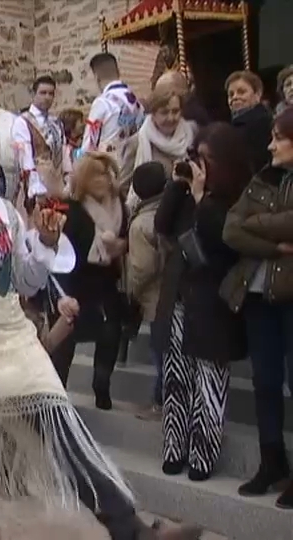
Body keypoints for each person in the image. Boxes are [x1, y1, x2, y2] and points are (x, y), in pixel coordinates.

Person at [0, 109, 200, 540]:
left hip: (12, 335)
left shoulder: (5, 209)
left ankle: (129, 528)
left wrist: (45, 243)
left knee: (60, 425)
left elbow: (25, 280)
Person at [152, 123, 249, 482]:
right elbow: (162, 225)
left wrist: (200, 197)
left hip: (212, 302)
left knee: (208, 384)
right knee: (176, 379)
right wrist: (177, 189)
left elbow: (215, 249)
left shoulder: (231, 203)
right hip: (179, 296)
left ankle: (203, 456)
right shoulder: (188, 195)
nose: (198, 166)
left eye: (205, 160)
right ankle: (174, 448)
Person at [221, 107, 293, 509]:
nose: (270, 144)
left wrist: (259, 223)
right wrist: (277, 243)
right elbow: (232, 228)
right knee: (265, 381)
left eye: (278, 137)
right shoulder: (262, 178)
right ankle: (271, 460)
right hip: (256, 295)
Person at [49, 152, 129, 411]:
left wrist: (120, 246)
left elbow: (126, 238)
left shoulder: (120, 207)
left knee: (110, 334)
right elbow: (63, 247)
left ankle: (101, 387)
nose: (103, 179)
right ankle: (57, 393)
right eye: (96, 174)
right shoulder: (72, 209)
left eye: (106, 173)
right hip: (76, 280)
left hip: (107, 281)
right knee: (65, 341)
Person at [125, 162, 169, 420]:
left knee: (160, 352)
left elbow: (142, 267)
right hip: (174, 294)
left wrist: (132, 292)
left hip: (155, 298)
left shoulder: (142, 223)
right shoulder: (169, 211)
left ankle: (160, 402)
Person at [125, 85, 196, 206]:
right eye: (164, 112)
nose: (171, 118)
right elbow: (124, 185)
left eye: (175, 111)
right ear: (153, 113)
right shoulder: (137, 142)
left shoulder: (192, 134)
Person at [82, 53, 145, 177]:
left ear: (96, 77)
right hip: (134, 168)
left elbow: (89, 145)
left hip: (108, 170)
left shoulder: (102, 103)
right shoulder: (137, 104)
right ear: (118, 72)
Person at [13, 76, 72, 201]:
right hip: (36, 183)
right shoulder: (23, 121)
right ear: (33, 94)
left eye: (51, 93)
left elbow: (64, 150)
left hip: (57, 183)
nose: (47, 97)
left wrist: (69, 176)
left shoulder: (56, 122)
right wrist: (34, 184)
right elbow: (24, 153)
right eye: (43, 93)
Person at [226, 70, 274, 172]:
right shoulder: (233, 126)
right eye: (231, 94)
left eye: (241, 92)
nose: (235, 97)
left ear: (258, 94)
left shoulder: (263, 123)